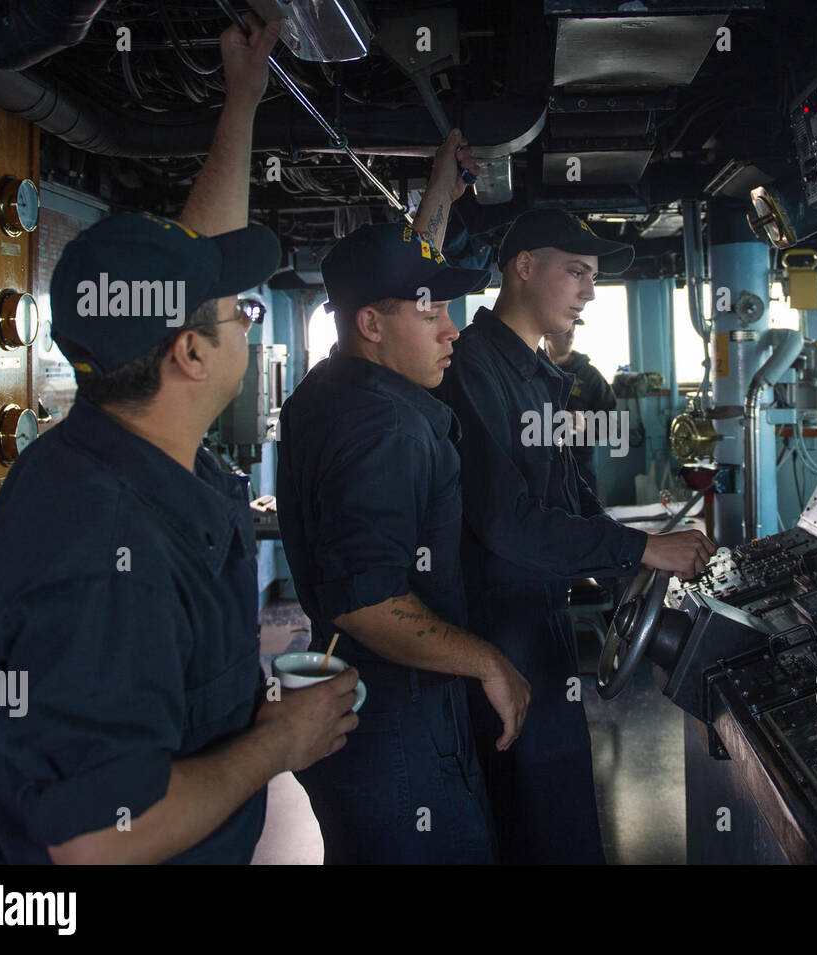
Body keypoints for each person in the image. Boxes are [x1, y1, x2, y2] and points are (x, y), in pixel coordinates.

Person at [0, 15, 359, 864]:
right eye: (242, 315)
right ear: (189, 353)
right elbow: (96, 842)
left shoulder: (134, 449)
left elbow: (198, 260)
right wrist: (278, 745)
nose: (251, 326)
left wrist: (243, 100)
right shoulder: (100, 545)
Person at [275, 135, 532, 864]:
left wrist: (440, 194)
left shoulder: (335, 388)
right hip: (398, 718)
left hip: (366, 704)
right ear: (371, 324)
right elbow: (367, 599)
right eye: (433, 316)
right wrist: (488, 661)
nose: (453, 328)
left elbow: (401, 275)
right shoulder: (383, 426)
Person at [436, 210, 716, 864]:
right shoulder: (471, 371)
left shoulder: (539, 377)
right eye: (578, 272)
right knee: (529, 821)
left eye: (593, 277)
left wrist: (637, 558)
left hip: (542, 625)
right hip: (495, 634)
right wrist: (641, 550)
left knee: (561, 811)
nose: (590, 290)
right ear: (524, 267)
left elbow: (571, 499)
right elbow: (505, 522)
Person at [543, 320, 618, 499]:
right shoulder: (532, 369)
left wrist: (586, 425)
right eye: (565, 329)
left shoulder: (590, 376)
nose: (571, 334)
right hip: (540, 462)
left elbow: (611, 422)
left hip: (580, 464)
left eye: (573, 329)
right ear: (546, 334)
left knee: (587, 516)